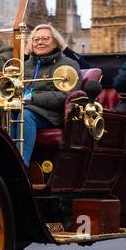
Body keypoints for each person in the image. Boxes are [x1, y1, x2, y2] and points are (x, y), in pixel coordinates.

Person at [20, 23, 82, 164]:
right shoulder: (24, 65)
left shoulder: (68, 64)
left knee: (24, 116)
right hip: (22, 108)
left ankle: (20, 167)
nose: (40, 42)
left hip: (50, 114)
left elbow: (67, 95)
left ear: (55, 42)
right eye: (36, 40)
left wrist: (31, 98)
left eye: (45, 39)